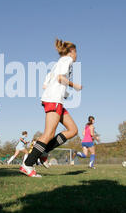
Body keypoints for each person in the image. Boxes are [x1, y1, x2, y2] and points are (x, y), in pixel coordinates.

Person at [20, 39, 82, 177]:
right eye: (76, 52)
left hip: (55, 100)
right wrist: (74, 86)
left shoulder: (58, 63)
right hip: (54, 100)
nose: (77, 55)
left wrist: (62, 92)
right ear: (72, 52)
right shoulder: (67, 61)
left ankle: (43, 152)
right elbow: (60, 78)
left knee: (73, 130)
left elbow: (46, 83)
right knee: (48, 134)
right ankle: (27, 164)